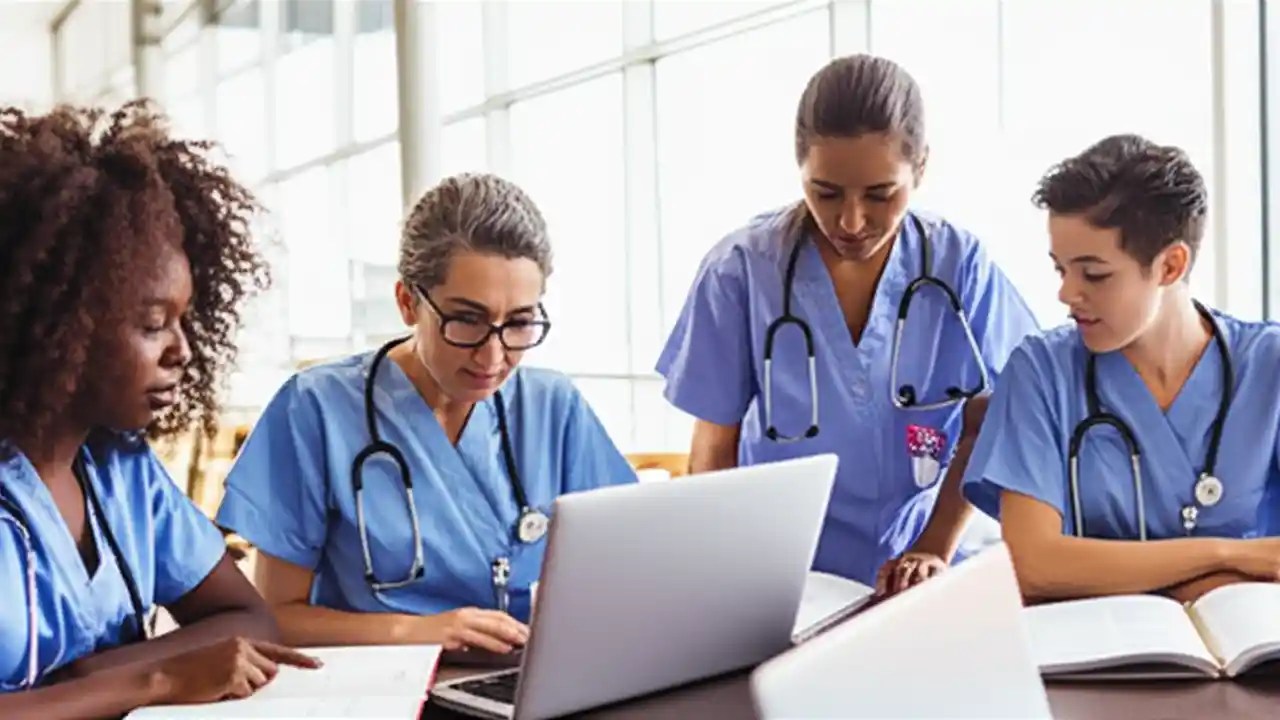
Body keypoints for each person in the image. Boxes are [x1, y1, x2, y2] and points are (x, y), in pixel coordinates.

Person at [655, 54, 1040, 593]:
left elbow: (989, 421)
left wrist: (933, 547)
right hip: (776, 571)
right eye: (826, 192)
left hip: (919, 566)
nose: (852, 222)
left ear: (921, 168)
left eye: (881, 194)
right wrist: (730, 578)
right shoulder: (742, 270)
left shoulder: (959, 264)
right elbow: (713, 451)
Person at [216, 172, 637, 655]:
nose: (493, 357)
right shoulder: (316, 409)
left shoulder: (553, 408)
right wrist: (417, 632)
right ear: (407, 302)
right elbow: (274, 616)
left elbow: (628, 571)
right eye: (466, 319)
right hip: (385, 689)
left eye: (519, 323)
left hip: (527, 684)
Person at [0, 102, 319, 716]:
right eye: (153, 325)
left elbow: (247, 616)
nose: (183, 351)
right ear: (63, 327)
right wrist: (155, 678)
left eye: (184, 319)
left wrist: (90, 675)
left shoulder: (121, 470)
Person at [962, 134, 1280, 604]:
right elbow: (1032, 566)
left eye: (1094, 274)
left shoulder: (1268, 367)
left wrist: (1110, 572)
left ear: (1170, 266)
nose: (1067, 293)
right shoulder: (1041, 372)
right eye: (1060, 269)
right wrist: (1225, 556)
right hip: (1097, 661)